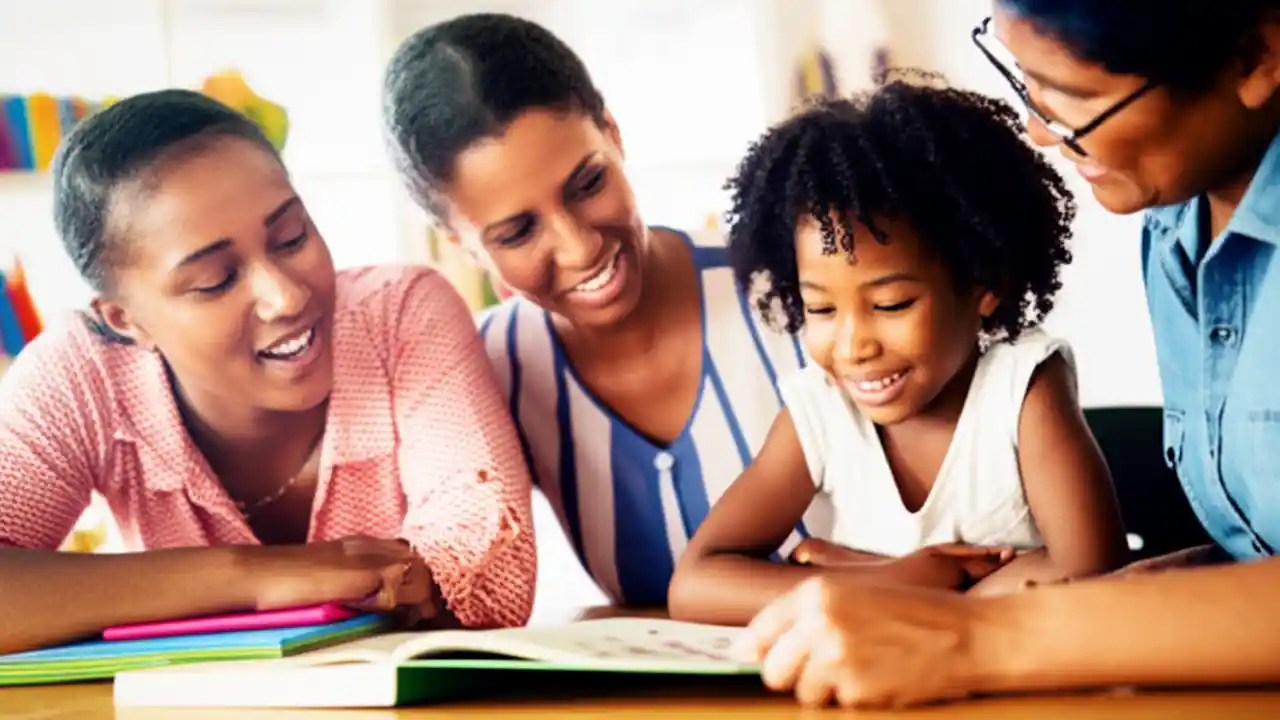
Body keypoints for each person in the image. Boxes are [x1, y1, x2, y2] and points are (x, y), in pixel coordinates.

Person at [738, 0, 1280, 708]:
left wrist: (972, 635)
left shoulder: (1027, 381)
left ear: (1255, 58)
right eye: (1027, 83)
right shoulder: (1177, 221)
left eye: (1076, 98)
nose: (1039, 130)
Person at [0, 90, 535, 655]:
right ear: (126, 320)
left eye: (291, 238)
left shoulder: (399, 315)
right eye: (214, 281)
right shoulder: (82, 375)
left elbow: (493, 571)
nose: (284, 296)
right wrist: (247, 575)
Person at [382, 13, 829, 606]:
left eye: (588, 183)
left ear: (612, 133)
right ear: (457, 242)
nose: (581, 246)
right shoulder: (489, 375)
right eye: (517, 232)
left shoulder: (800, 287)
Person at [668, 84, 1127, 626]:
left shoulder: (1022, 387)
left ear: (983, 284)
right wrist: (889, 579)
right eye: (820, 310)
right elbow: (695, 584)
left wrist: (891, 598)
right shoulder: (820, 413)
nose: (854, 346)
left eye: (891, 304)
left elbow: (1094, 570)